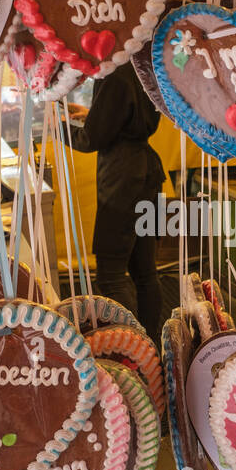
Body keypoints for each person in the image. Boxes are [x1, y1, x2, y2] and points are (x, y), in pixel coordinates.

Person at [67, 61, 165, 334]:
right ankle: (153, 345)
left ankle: (132, 347)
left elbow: (91, 139)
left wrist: (60, 128)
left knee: (110, 275)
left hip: (123, 180)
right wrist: (91, 114)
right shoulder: (142, 64)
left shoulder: (111, 71)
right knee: (145, 272)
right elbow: (126, 116)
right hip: (149, 172)